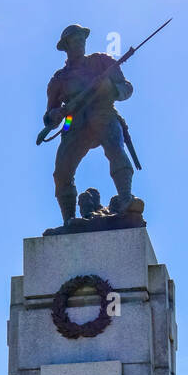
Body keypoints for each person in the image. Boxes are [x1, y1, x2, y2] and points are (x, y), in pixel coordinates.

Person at [42, 24, 138, 225]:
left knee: (116, 151)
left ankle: (126, 200)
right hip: (71, 122)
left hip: (103, 112)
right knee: (61, 172)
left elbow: (127, 89)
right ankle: (69, 220)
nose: (80, 44)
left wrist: (110, 88)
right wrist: (56, 114)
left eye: (82, 40)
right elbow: (48, 118)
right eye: (75, 40)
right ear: (66, 46)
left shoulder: (102, 62)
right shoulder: (59, 79)